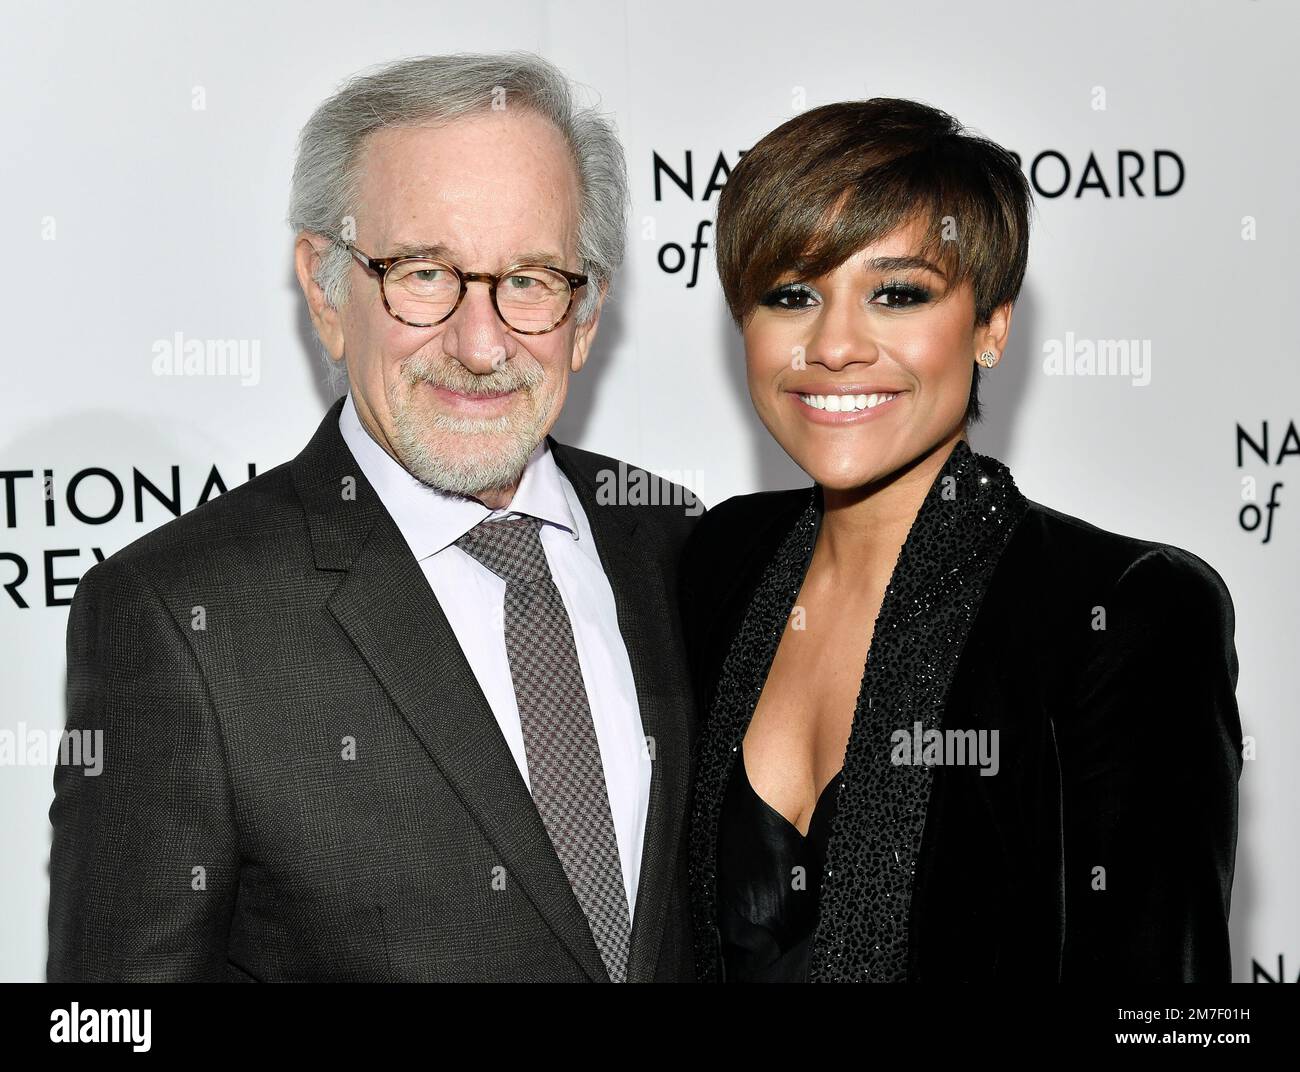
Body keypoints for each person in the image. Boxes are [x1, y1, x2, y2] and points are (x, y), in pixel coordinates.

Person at [47, 52, 700, 983]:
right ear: (324, 286)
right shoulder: (180, 618)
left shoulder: (676, 545)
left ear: (586, 312)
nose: (481, 346)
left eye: (530, 280)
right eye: (424, 273)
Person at [680, 98, 1243, 982]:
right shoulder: (712, 566)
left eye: (897, 294)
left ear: (991, 327)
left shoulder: (1123, 611)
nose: (834, 345)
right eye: (792, 295)